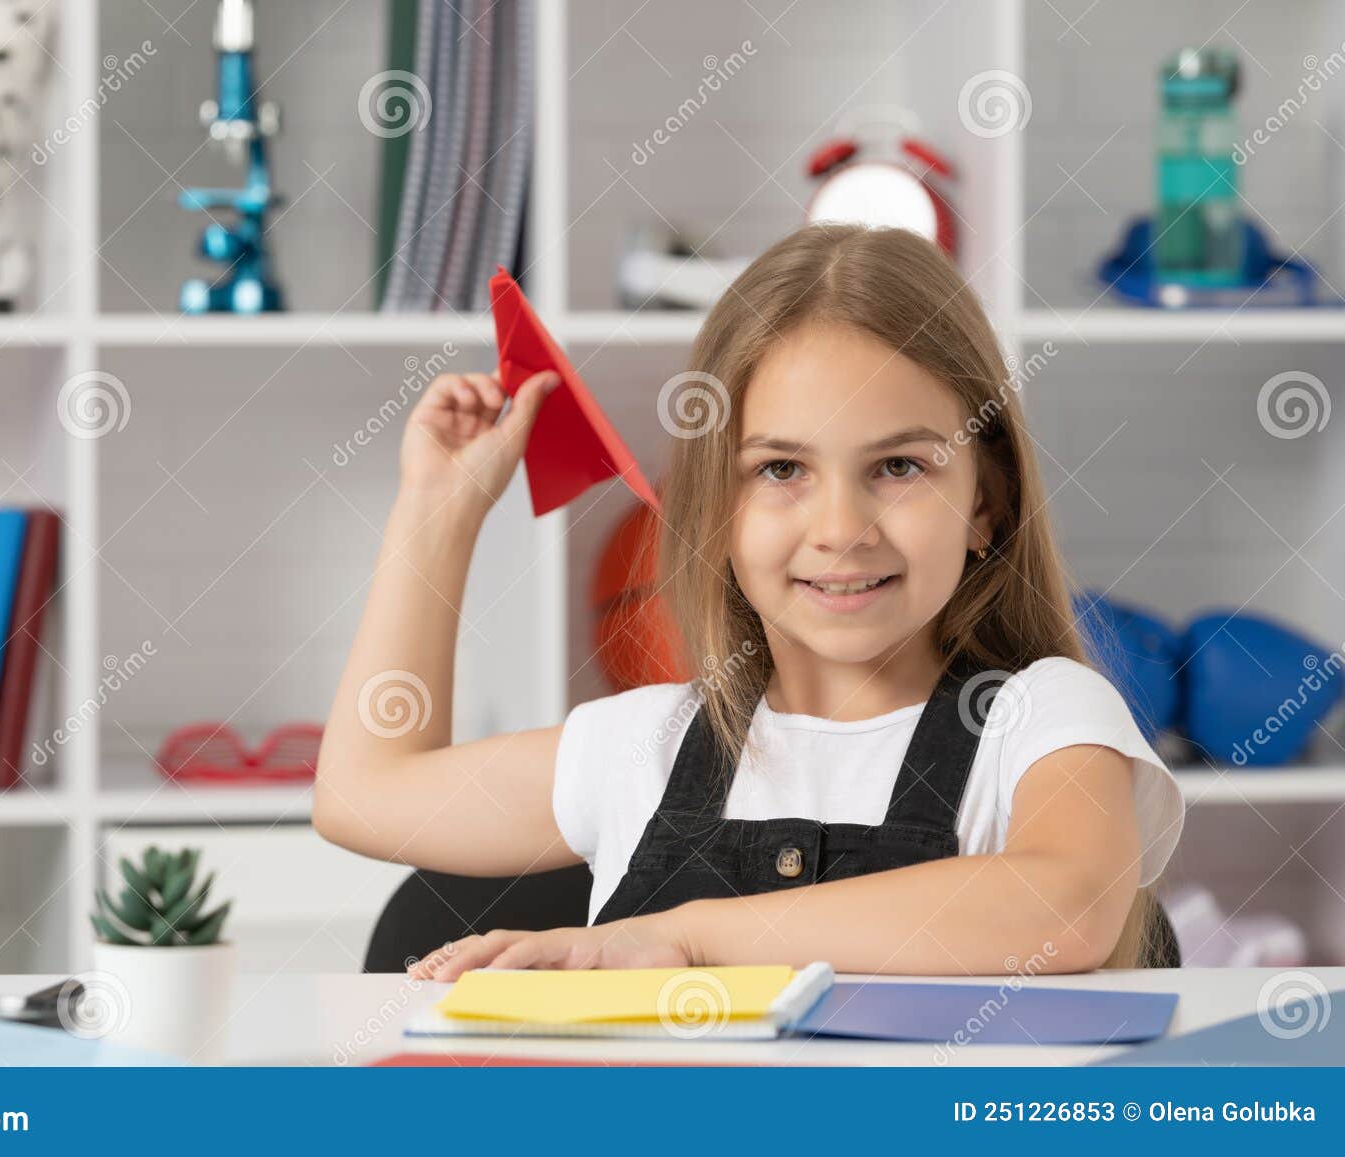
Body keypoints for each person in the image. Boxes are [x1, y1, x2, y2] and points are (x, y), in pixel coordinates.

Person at [315, 224, 1184, 980]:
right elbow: (363, 793)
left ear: (985, 503)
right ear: (717, 510)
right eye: (780, 469)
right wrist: (440, 509)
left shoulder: (1039, 718)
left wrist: (684, 938)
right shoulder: (643, 748)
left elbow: (1062, 904)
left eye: (900, 466)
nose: (842, 528)